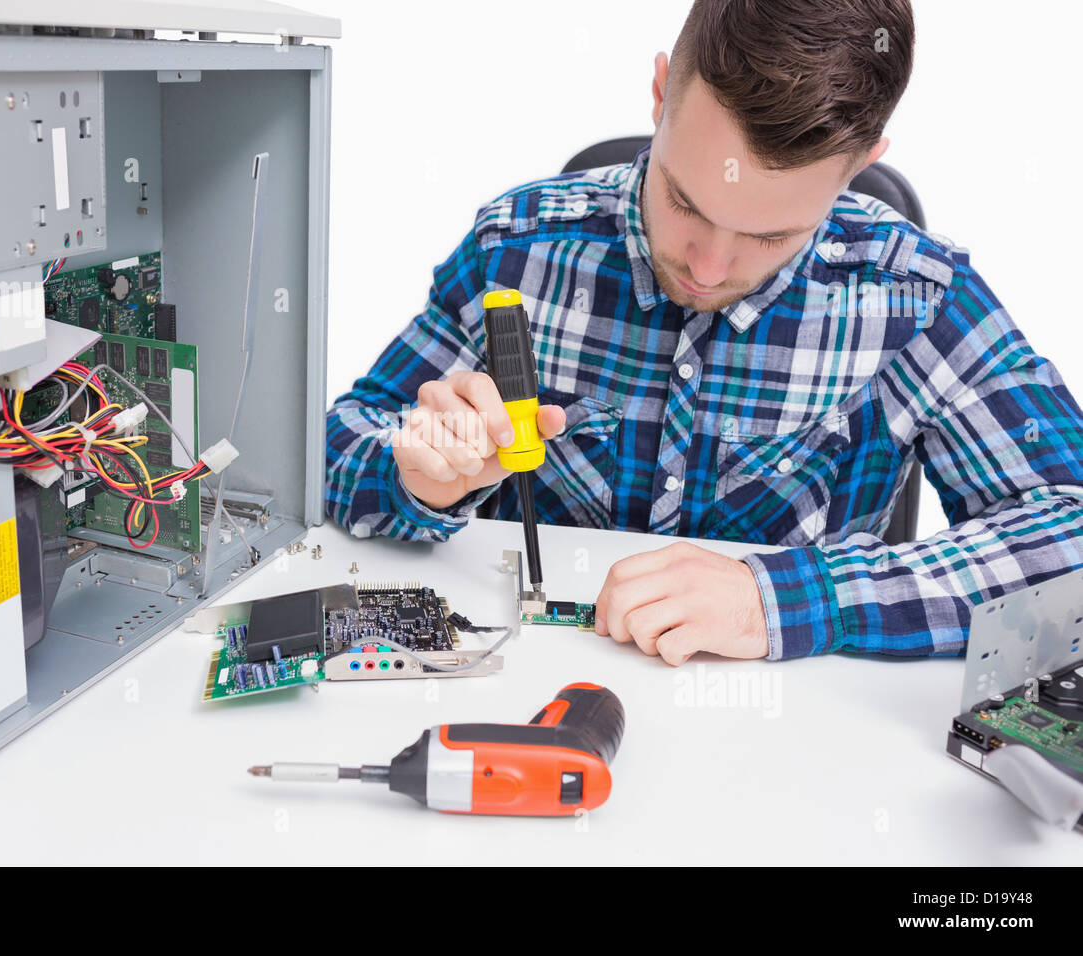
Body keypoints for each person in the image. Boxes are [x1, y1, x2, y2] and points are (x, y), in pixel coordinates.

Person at [323, 0, 1083, 665]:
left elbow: (1071, 538)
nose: (709, 267)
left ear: (859, 166)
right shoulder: (516, 250)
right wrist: (414, 476)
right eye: (685, 202)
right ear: (660, 95)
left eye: (772, 234)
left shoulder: (915, 297)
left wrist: (787, 599)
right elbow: (332, 449)